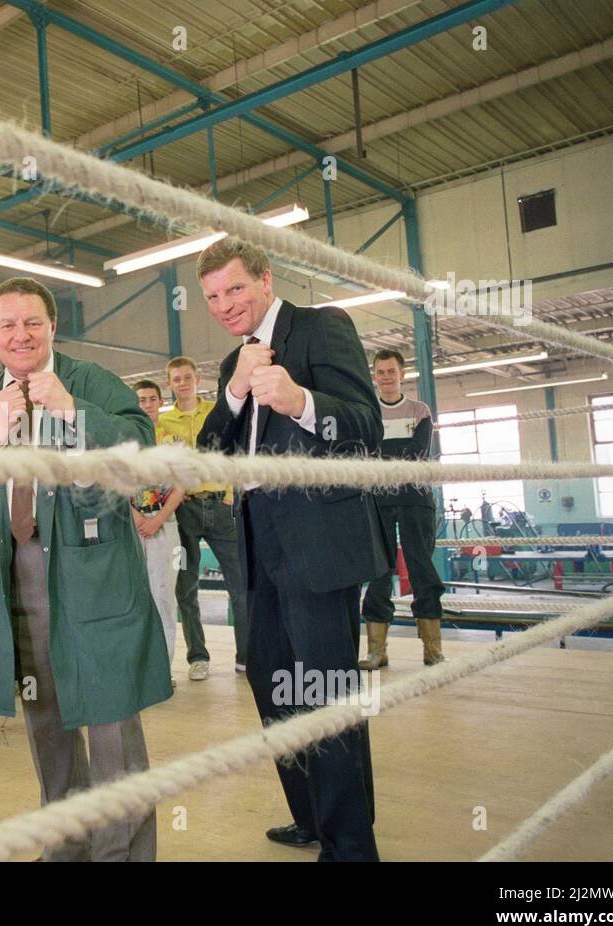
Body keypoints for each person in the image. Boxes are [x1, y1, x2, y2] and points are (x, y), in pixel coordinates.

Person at [0, 276, 171, 862]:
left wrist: (72, 409)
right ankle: (66, 849)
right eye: (8, 325)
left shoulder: (91, 382)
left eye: (33, 322)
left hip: (94, 577)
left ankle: (122, 855)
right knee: (48, 723)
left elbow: (140, 453)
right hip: (18, 576)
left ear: (53, 327)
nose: (22, 335)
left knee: (111, 722)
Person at [196, 238, 388, 861]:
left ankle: (351, 847)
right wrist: (233, 394)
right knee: (274, 686)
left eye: (234, 289)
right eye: (212, 297)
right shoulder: (232, 364)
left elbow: (365, 424)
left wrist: (302, 402)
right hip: (256, 540)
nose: (225, 305)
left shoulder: (321, 329)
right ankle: (311, 816)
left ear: (266, 280)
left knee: (325, 693)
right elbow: (208, 454)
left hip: (318, 538)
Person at [160, 356, 251, 680]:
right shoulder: (163, 423)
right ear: (169, 384)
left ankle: (246, 656)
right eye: (176, 379)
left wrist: (230, 492)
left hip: (221, 508)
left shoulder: (217, 412)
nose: (182, 383)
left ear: (198, 378)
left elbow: (234, 452)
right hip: (184, 511)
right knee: (186, 588)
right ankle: (198, 657)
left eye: (187, 377)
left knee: (240, 585)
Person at [360, 349, 446, 668]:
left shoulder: (419, 410)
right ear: (375, 376)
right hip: (378, 500)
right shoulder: (367, 412)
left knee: (422, 568)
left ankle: (432, 648)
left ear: (402, 374)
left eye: (391, 371)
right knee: (379, 570)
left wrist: (382, 456)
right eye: (380, 372)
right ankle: (376, 650)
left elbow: (417, 454)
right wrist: (386, 457)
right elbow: (363, 453)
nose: (386, 377)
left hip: (415, 498)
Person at [130, 380, 183, 687]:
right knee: (136, 598)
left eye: (152, 399)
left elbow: (180, 485)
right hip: (132, 525)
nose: (147, 404)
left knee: (164, 597)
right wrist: (136, 515)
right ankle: (138, 669)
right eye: (141, 399)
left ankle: (163, 669)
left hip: (165, 526)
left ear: (160, 402)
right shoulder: (122, 441)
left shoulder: (172, 443)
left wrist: (158, 519)